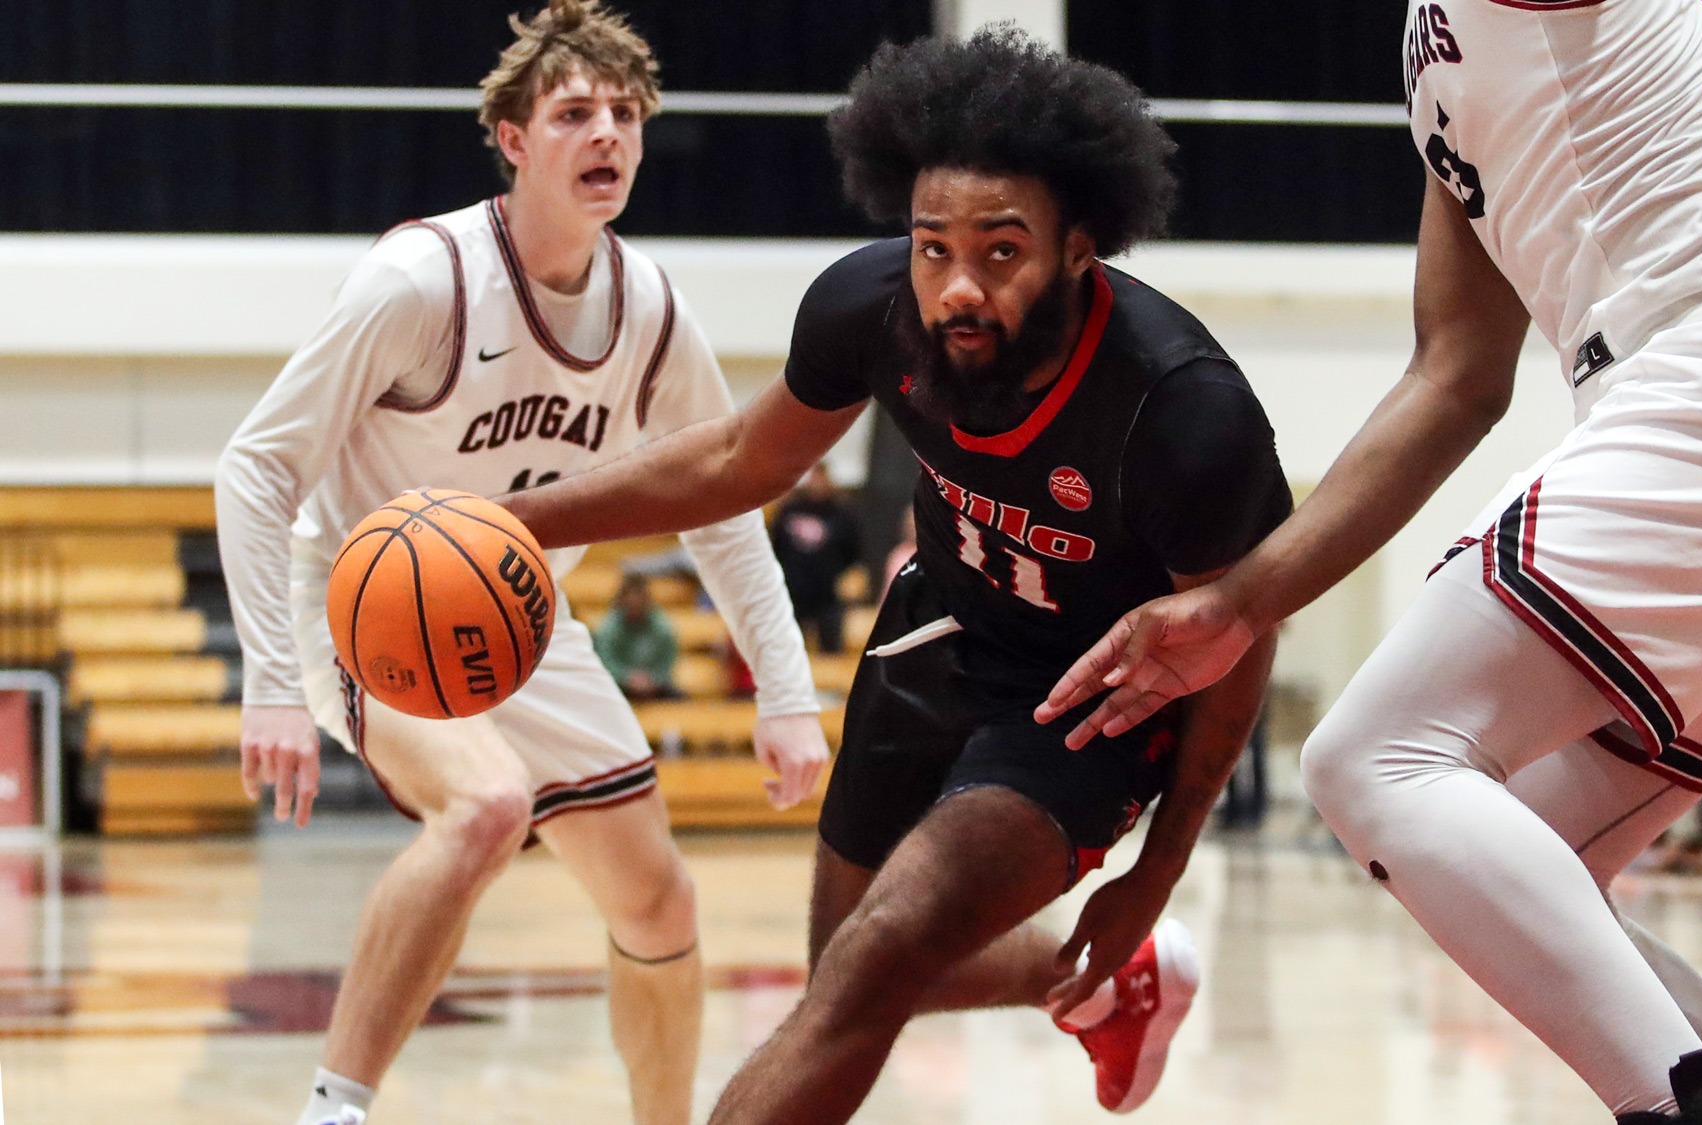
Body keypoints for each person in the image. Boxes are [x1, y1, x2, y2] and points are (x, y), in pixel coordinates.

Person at [1038, 3, 1702, 1124]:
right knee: (1519, 882)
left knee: (1371, 761)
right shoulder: (1428, 51)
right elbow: (1454, 375)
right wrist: (1239, 601)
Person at [499, 28, 1292, 1122]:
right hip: (939, 630)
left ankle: (1118, 955)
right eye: (931, 247)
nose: (957, 286)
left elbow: (1242, 646)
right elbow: (738, 459)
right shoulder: (869, 310)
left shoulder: (1181, 410)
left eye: (1000, 250)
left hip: (1086, 703)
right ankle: (1113, 986)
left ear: (1078, 247)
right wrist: (508, 522)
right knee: (847, 969)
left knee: (877, 958)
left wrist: (1148, 874)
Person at [214, 5, 829, 1123]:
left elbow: (725, 498)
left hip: (512, 613)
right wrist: (271, 684)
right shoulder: (420, 279)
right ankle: (333, 1110)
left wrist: (785, 690)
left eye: (624, 114)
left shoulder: (647, 309)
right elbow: (255, 466)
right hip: (363, 601)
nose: (606, 133)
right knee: (491, 804)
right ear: (513, 138)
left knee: (656, 901)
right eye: (574, 113)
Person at [770, 463, 863, 653]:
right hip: (793, 591)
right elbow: (776, 546)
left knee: (830, 650)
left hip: (827, 593)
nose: (817, 483)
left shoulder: (841, 514)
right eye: (813, 478)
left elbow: (853, 550)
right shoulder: (789, 510)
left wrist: (835, 572)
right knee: (790, 648)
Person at [595, 573, 684, 700]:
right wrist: (626, 678)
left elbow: (668, 659)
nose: (635, 605)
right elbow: (605, 660)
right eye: (631, 603)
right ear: (622, 600)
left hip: (655, 686)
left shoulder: (662, 626)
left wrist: (654, 679)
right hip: (618, 686)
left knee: (679, 698)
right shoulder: (608, 629)